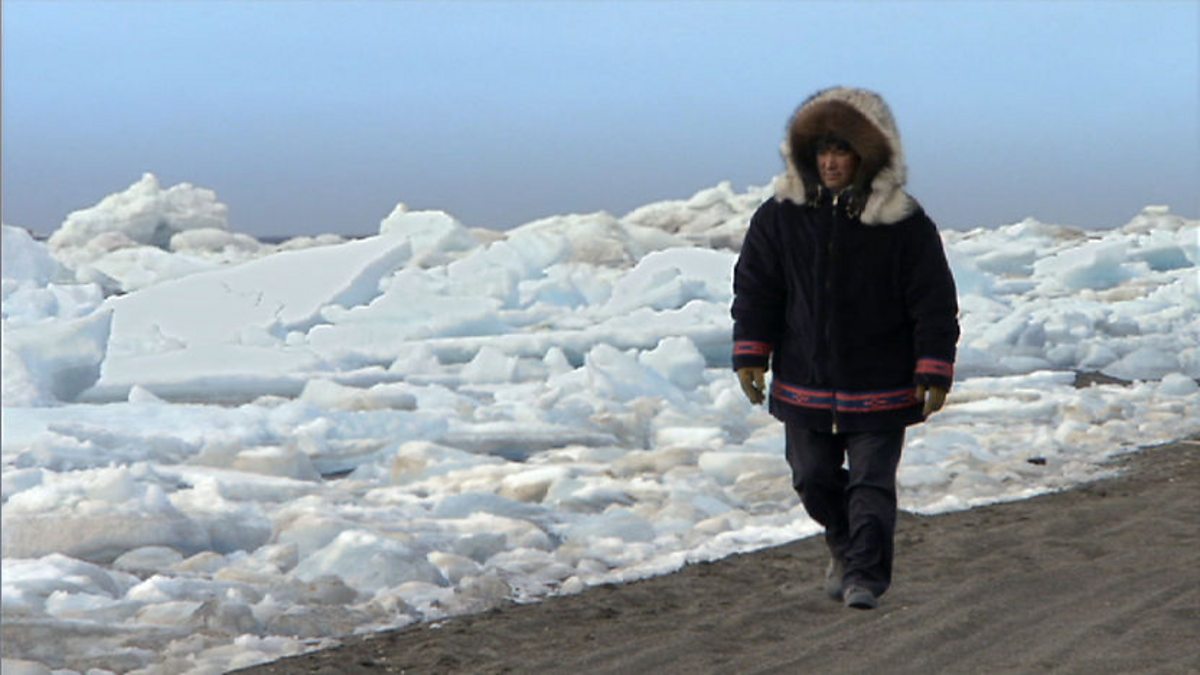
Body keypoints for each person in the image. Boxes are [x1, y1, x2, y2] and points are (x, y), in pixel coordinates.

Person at [731, 86, 959, 610]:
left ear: (866, 155)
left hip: (881, 376)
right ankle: (842, 542)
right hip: (804, 376)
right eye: (823, 152)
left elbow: (932, 300)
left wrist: (934, 368)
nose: (831, 162)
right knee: (811, 478)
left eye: (842, 151)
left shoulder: (904, 223)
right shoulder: (779, 216)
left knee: (872, 486)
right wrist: (750, 353)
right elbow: (757, 288)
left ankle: (865, 577)